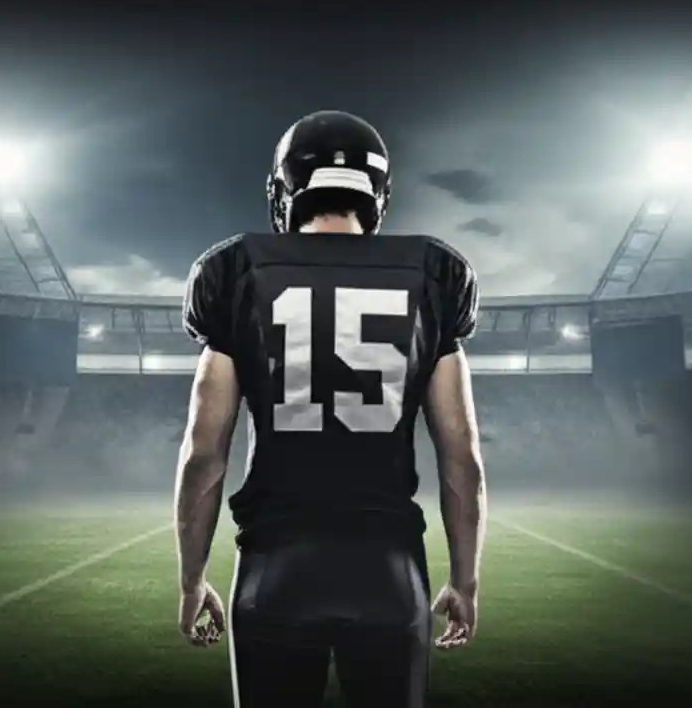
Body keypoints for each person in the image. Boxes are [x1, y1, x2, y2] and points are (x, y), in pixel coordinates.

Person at [173, 110, 487, 708]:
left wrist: (191, 580)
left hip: (276, 566)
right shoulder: (433, 274)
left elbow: (204, 455)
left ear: (285, 189)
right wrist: (465, 581)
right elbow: (462, 461)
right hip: (390, 570)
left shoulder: (237, 270)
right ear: (376, 196)